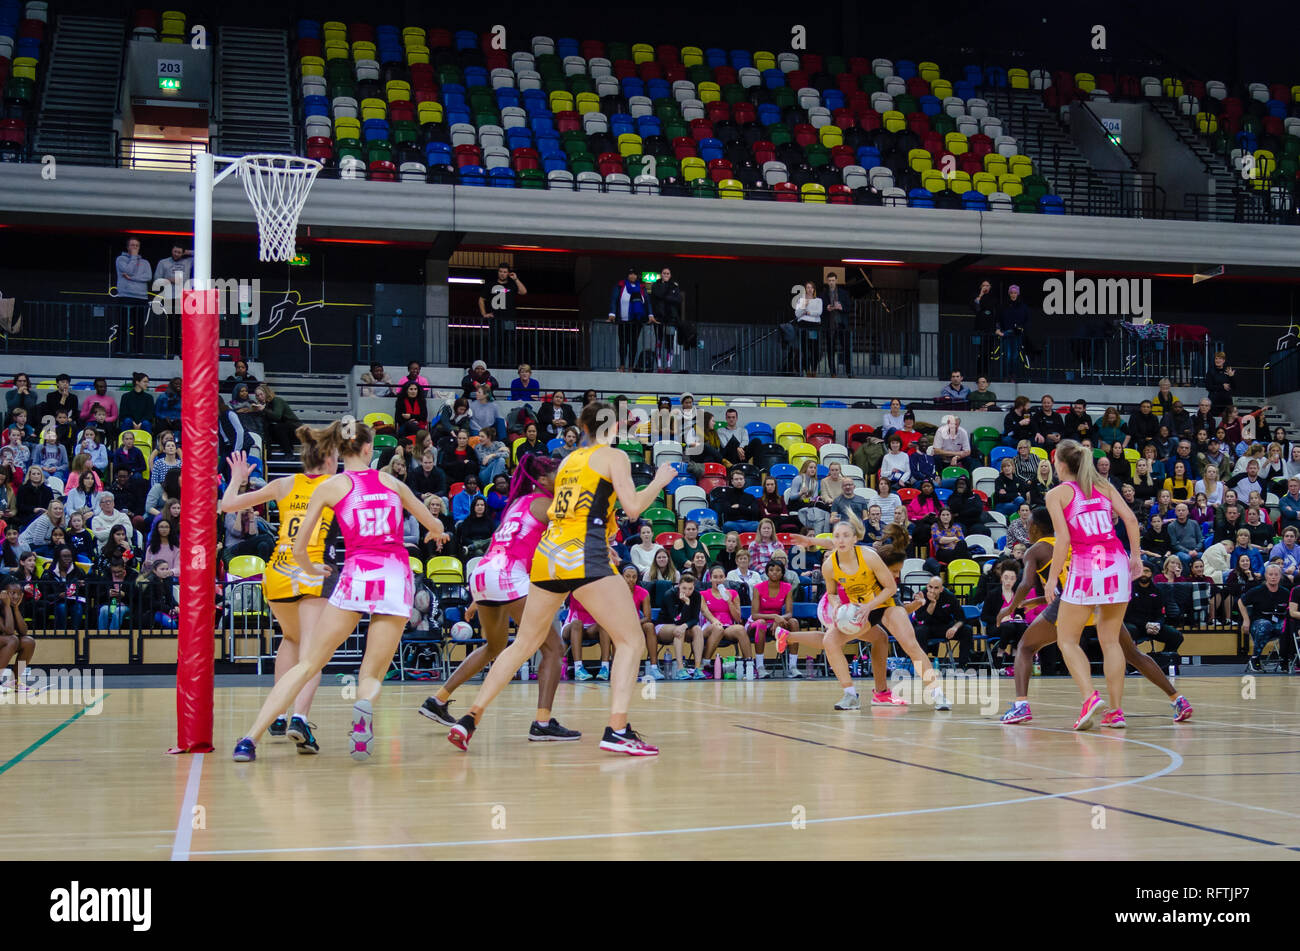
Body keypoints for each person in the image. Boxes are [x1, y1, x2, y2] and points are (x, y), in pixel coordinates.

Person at [447, 401, 677, 754]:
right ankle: (617, 730)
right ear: (613, 429)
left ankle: (470, 718)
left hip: (549, 554)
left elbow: (556, 509)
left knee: (523, 644)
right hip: (584, 552)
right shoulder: (614, 457)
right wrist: (660, 481)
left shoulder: (569, 460)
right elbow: (633, 509)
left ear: (583, 429)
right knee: (631, 641)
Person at [231, 417, 449, 763]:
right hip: (394, 575)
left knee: (308, 664)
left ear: (342, 450)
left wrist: (309, 567)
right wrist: (437, 532)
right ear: (367, 448)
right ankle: (363, 706)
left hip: (356, 574)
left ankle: (248, 739)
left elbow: (300, 546)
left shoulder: (331, 487)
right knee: (371, 670)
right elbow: (434, 523)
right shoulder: (392, 482)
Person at [418, 453, 579, 738]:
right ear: (542, 480)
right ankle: (543, 723)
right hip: (508, 574)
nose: (563, 477)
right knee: (553, 649)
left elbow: (503, 545)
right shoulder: (549, 504)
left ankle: (438, 700)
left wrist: (475, 599)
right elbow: (569, 538)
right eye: (557, 473)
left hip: (483, 573)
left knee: (495, 646)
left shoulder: (517, 503)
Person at [998, 506, 1193, 724]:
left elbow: (1025, 583)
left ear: (1034, 527)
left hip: (1071, 603)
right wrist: (1037, 600)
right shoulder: (1072, 543)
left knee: (1025, 647)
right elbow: (1067, 581)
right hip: (1097, 598)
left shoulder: (1035, 550)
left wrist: (1010, 607)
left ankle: (1021, 705)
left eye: (1028, 523)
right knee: (1132, 654)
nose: (1026, 527)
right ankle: (1178, 699)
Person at [1042, 440, 1143, 730]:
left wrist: (1051, 579)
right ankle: (1116, 711)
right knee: (1110, 641)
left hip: (1087, 566)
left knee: (1067, 639)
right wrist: (1136, 557)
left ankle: (1089, 696)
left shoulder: (1057, 494)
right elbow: (1132, 520)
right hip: (1116, 562)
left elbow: (1062, 541)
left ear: (1060, 464)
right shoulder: (1104, 486)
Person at [811, 512, 949, 711]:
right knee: (830, 641)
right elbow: (831, 593)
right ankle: (850, 695)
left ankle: (938, 694)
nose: (841, 540)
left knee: (910, 644)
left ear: (854, 539)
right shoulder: (829, 566)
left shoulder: (869, 555)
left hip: (885, 602)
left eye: (845, 535)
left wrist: (870, 606)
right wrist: (836, 607)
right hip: (860, 609)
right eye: (837, 536)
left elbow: (891, 588)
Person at [905, 576, 973, 668]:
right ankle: (921, 667)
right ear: (927, 586)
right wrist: (932, 603)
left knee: (967, 630)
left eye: (936, 588)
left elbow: (961, 618)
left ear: (941, 589)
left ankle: (962, 666)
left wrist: (954, 628)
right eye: (930, 587)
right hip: (926, 627)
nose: (932, 590)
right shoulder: (921, 596)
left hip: (945, 627)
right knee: (919, 631)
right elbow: (922, 619)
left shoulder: (949, 597)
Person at [700, 564, 755, 675]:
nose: (718, 580)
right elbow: (705, 611)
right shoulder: (703, 594)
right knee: (718, 628)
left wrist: (729, 601)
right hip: (710, 626)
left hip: (727, 627)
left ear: (725, 578)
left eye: (721, 577)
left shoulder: (733, 593)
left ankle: (749, 665)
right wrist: (715, 621)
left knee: (740, 629)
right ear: (710, 578)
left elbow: (738, 618)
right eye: (715, 577)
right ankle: (704, 664)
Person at [1240, 564, 1294, 672]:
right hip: (1258, 625)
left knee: (1287, 627)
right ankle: (1255, 658)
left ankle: (1285, 659)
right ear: (1266, 576)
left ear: (1280, 576)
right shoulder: (1257, 590)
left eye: (1276, 574)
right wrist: (1246, 620)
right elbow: (1240, 602)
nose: (1273, 577)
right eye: (1270, 574)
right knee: (1266, 625)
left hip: (1277, 624)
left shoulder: (1285, 592)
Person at [478, 262, 526, 366]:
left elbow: (523, 292)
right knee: (494, 343)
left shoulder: (512, 284)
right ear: (498, 272)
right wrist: (484, 313)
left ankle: (510, 365)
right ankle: (493, 365)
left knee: (510, 342)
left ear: (508, 273)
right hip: (495, 319)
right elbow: (481, 299)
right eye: (500, 271)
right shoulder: (490, 284)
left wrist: (516, 279)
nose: (502, 274)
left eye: (505, 272)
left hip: (509, 319)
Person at [608, 267, 651, 372]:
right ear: (628, 275)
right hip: (623, 320)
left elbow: (647, 302)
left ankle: (631, 366)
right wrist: (612, 313)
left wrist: (650, 315)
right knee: (623, 343)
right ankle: (622, 365)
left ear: (637, 276)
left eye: (635, 274)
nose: (632, 276)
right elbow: (614, 299)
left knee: (633, 344)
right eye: (631, 274)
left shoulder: (641, 287)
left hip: (637, 321)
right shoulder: (620, 285)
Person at [649, 265, 684, 371]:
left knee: (669, 343)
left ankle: (669, 366)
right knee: (659, 341)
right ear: (661, 274)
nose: (666, 275)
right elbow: (656, 295)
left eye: (668, 273)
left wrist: (667, 297)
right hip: (658, 318)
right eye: (664, 273)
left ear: (670, 275)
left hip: (671, 319)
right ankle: (659, 366)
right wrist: (670, 296)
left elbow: (679, 299)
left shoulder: (674, 286)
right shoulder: (656, 285)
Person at [996, 283, 1030, 380]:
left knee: (1015, 356)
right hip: (1006, 333)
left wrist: (1021, 328)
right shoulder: (1004, 306)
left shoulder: (1023, 307)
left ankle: (1013, 375)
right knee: (1008, 355)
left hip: (1017, 334)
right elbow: (998, 318)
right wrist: (998, 330)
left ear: (1018, 294)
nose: (1013, 294)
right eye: (1011, 292)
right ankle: (1006, 375)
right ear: (1009, 294)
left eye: (1015, 293)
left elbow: (1027, 320)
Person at [821, 272, 852, 377]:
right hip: (830, 325)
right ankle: (833, 372)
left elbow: (849, 307)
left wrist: (841, 307)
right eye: (829, 281)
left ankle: (849, 372)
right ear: (827, 281)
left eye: (833, 280)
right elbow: (820, 310)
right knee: (830, 349)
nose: (831, 283)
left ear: (836, 280)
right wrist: (827, 308)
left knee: (846, 348)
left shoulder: (843, 293)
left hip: (842, 324)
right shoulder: (823, 294)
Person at [792, 280, 823, 375]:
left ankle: (814, 369)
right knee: (804, 349)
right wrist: (804, 309)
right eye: (808, 287)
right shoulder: (802, 300)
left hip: (814, 326)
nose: (809, 289)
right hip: (803, 326)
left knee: (814, 349)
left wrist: (809, 313)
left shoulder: (818, 300)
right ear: (805, 289)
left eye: (811, 287)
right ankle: (807, 370)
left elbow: (819, 312)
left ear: (814, 289)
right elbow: (797, 314)